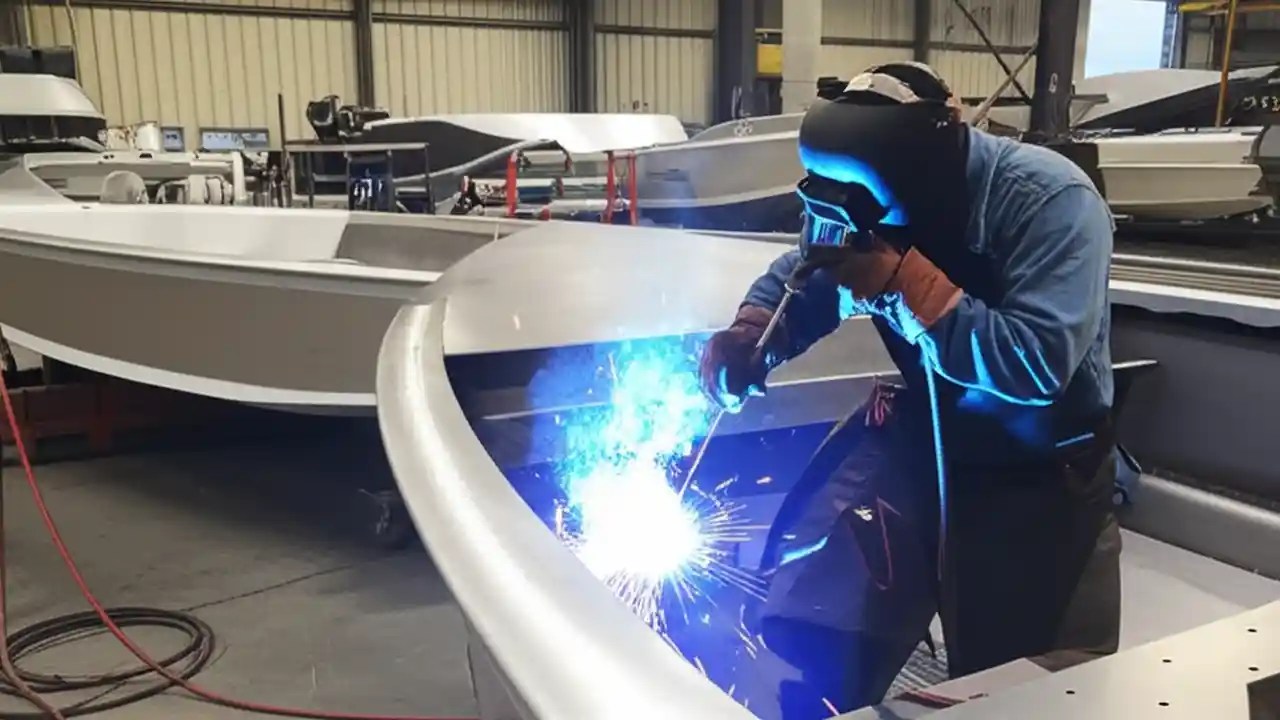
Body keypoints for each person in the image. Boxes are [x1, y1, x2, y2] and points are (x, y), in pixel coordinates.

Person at [699, 62, 1121, 716]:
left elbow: (1036, 366)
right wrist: (756, 331)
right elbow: (809, 272)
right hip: (924, 445)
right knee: (822, 618)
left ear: (923, 177)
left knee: (1015, 688)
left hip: (1036, 478)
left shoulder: (1051, 203)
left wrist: (904, 287)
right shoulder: (864, 184)